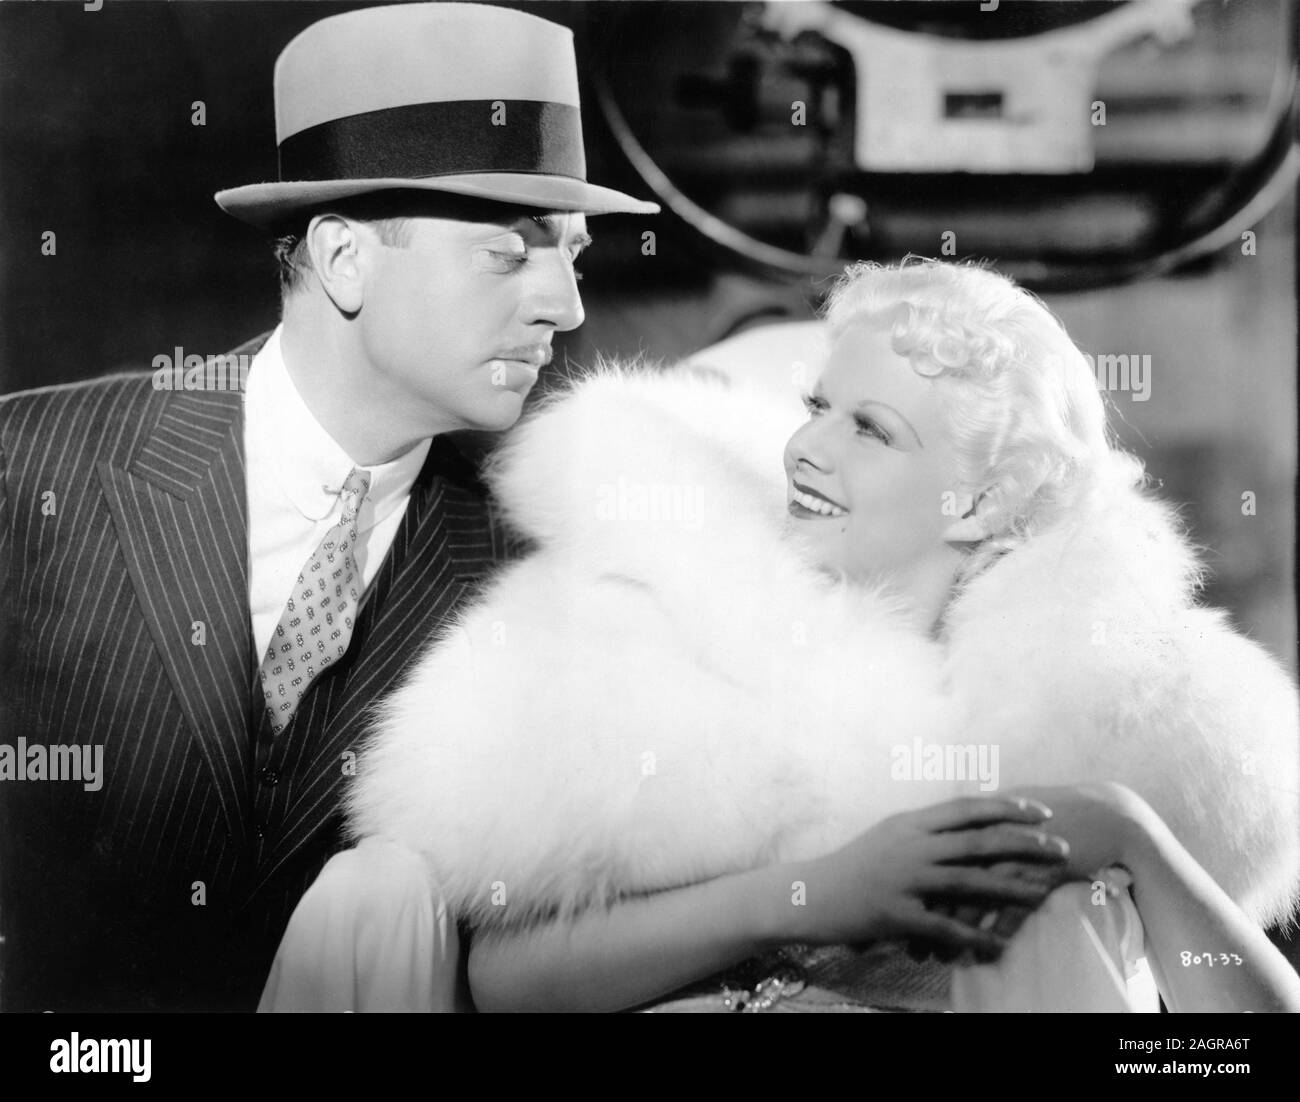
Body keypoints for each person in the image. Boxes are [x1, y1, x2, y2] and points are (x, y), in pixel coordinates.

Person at [268, 258, 1300, 1013]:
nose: (803, 446)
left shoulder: (1107, 716)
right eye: (817, 404)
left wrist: (1127, 831)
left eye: (869, 429)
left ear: (982, 504)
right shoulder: (646, 610)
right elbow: (501, 984)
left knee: (1064, 915)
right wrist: (808, 898)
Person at [0, 1, 656, 1011]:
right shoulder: (31, 462)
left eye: (573, 254)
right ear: (344, 258)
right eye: (512, 249)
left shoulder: (532, 569)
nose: (563, 306)